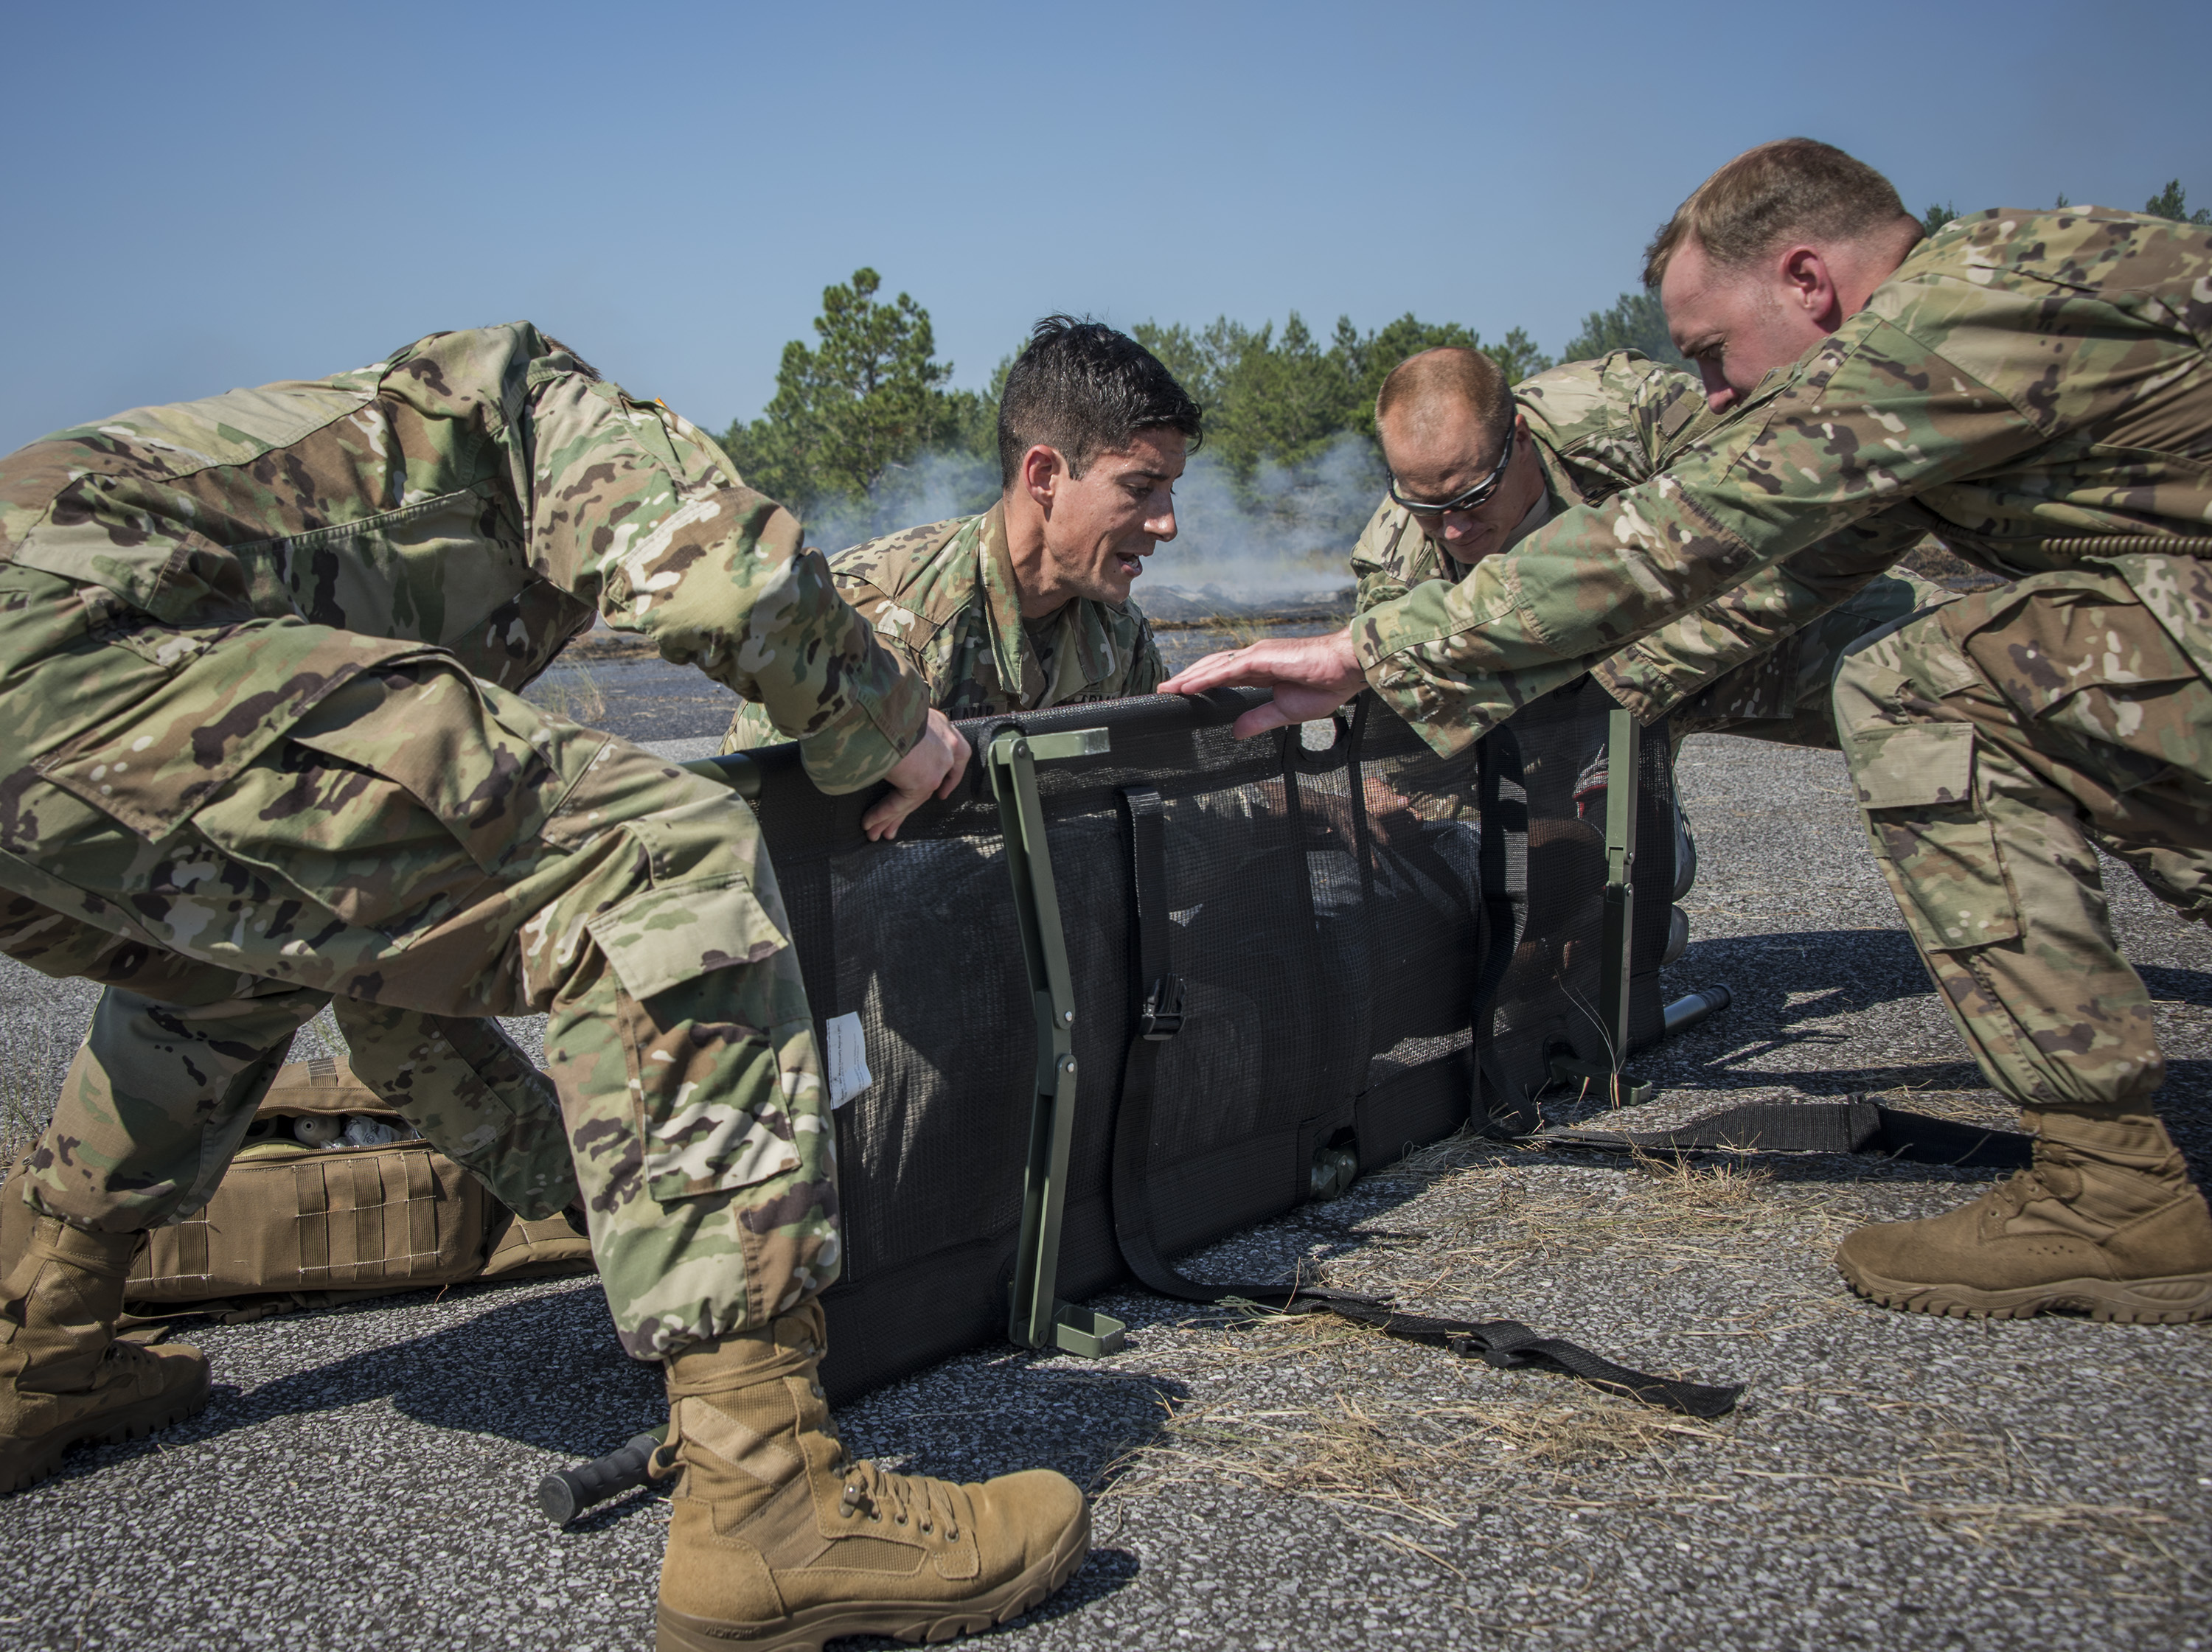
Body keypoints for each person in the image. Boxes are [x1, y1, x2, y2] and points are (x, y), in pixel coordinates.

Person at [0, 324, 1090, 1648]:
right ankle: (770, 1502)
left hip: (49, 706)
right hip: (61, 643)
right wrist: (896, 729)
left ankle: (37, 1353)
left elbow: (389, 989)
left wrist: (597, 1189)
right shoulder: (525, 400)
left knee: (241, 955)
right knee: (661, 854)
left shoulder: (366, 553)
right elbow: (722, 584)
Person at [1163, 138, 2212, 1325]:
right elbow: (1802, 559)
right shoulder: (1999, 298)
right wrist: (1601, 697)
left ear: (1808, 280)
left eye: (1715, 353)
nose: (1713, 393)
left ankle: (2112, 1192)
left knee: (1920, 682)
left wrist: (1368, 655)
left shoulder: (1941, 324)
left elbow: (1700, 523)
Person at [720, 316, 1197, 753]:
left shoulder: (1117, 628)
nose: (1167, 524)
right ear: (1045, 476)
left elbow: (1173, 778)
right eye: (1140, 488)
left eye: (1170, 491)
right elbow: (758, 827)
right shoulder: (886, 625)